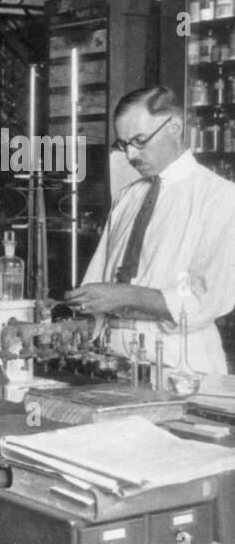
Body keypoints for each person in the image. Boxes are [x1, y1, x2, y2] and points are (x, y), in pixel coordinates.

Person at [67, 85, 235, 375]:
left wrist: (127, 295)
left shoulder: (219, 197)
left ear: (175, 127)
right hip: (115, 359)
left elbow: (205, 299)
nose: (131, 154)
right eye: (123, 144)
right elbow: (99, 283)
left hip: (181, 362)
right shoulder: (127, 196)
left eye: (140, 141)